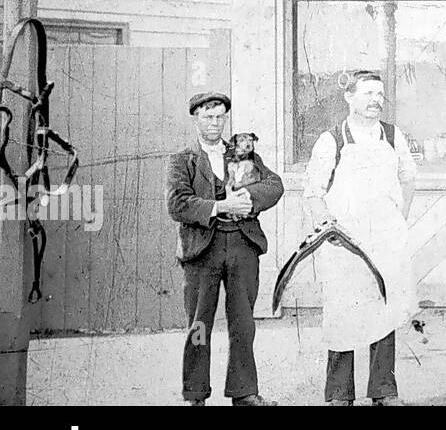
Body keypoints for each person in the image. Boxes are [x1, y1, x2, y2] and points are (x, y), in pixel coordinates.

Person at [303, 70, 417, 406]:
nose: (375, 101)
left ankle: (383, 390)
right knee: (342, 314)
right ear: (349, 97)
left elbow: (408, 179)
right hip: (346, 245)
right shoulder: (332, 140)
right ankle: (339, 393)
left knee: (386, 311)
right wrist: (326, 222)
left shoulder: (394, 137)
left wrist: (398, 219)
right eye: (367, 93)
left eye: (379, 95)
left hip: (385, 242)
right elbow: (313, 192)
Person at [166, 91, 283, 406]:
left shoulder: (243, 153)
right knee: (200, 324)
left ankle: (244, 392)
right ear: (196, 118)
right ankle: (195, 394)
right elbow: (177, 204)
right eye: (208, 117)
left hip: (243, 245)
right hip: (203, 250)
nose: (215, 123)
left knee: (243, 322)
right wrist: (220, 205)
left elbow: (274, 185)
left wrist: (247, 201)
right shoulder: (183, 159)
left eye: (220, 116)